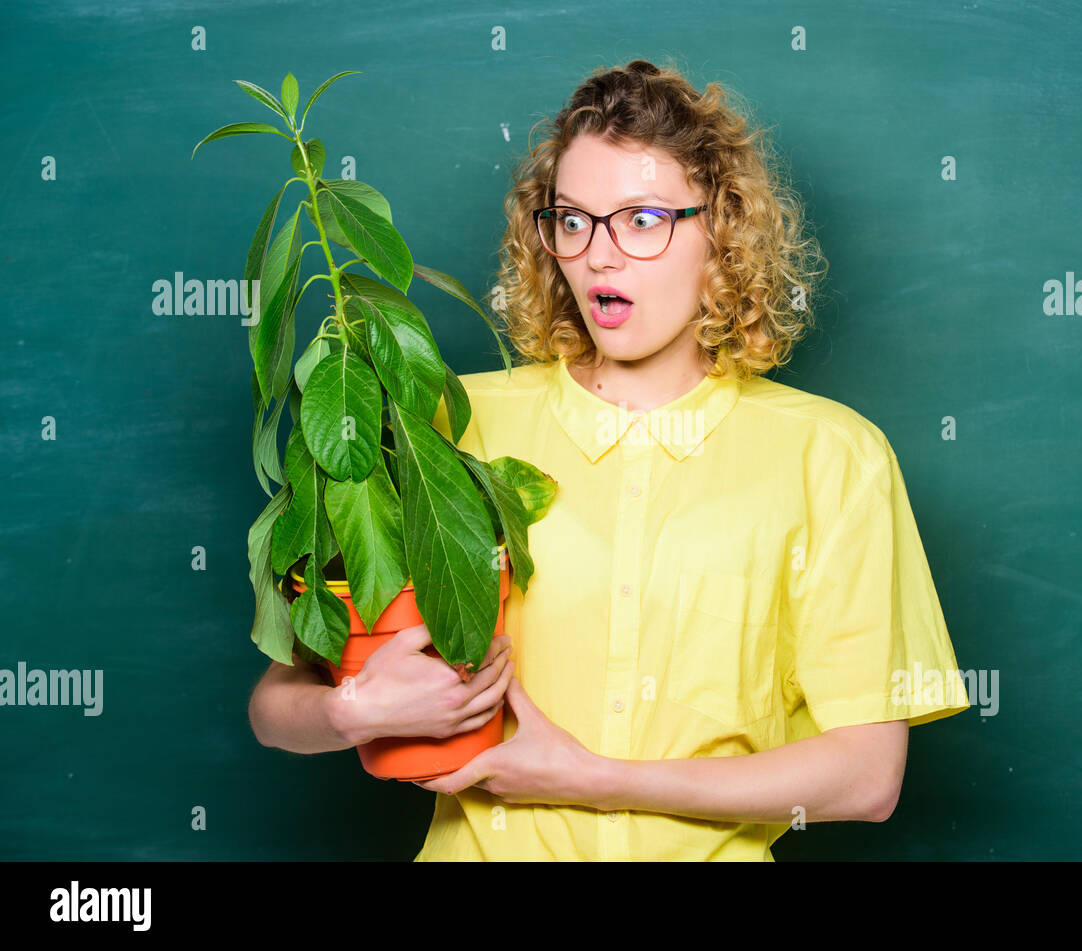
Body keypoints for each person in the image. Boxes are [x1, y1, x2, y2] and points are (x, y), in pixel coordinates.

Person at [248, 58, 970, 861]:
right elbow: (277, 703)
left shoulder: (834, 456)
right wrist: (354, 711)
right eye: (574, 219)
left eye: (642, 219)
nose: (599, 255)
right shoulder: (447, 422)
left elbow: (867, 778)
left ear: (722, 232)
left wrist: (590, 776)